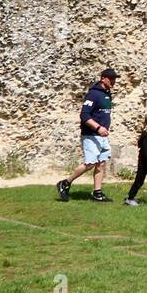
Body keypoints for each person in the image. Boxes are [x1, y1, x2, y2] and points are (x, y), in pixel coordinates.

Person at [57, 68, 118, 203]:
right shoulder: (93, 94)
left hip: (102, 136)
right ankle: (65, 183)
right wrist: (98, 127)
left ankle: (97, 193)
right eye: (111, 78)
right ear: (103, 78)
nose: (113, 81)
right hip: (91, 135)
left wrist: (104, 129)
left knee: (101, 164)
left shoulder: (107, 94)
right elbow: (84, 115)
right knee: (90, 163)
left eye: (114, 79)